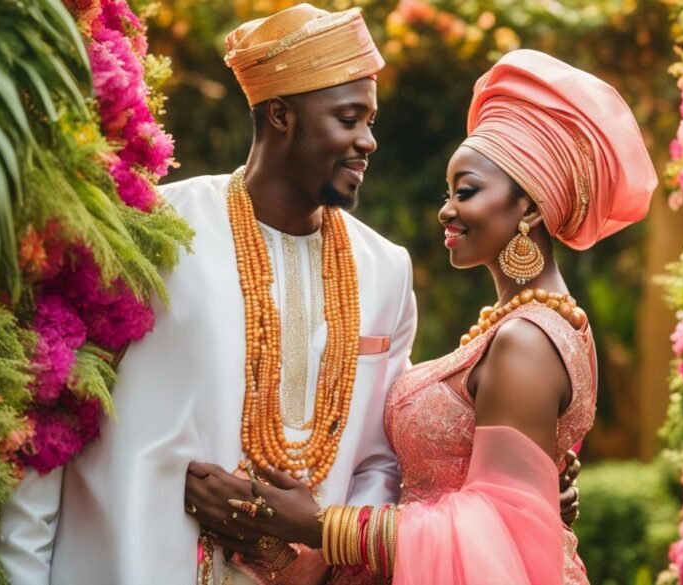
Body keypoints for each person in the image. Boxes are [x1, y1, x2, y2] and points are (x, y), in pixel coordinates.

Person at [0, 6, 579, 583]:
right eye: (349, 119)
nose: (368, 141)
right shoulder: (157, 228)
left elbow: (379, 458)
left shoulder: (385, 269)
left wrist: (315, 541)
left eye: (370, 120)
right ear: (280, 116)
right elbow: (59, 418)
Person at [184, 49, 656, 585]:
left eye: (467, 192)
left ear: (528, 207)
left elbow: (491, 529)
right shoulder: (522, 323)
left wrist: (316, 525)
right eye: (448, 192)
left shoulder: (527, 339)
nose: (447, 210)